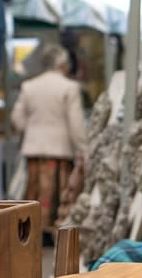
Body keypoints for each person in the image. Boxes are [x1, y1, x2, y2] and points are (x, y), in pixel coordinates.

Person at [10, 43, 87, 238]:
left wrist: (32, 130)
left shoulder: (29, 86)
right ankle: (56, 235)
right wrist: (83, 150)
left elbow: (16, 120)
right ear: (63, 64)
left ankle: (32, 233)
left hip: (33, 151)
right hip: (60, 152)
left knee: (34, 193)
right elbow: (76, 123)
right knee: (58, 197)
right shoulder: (69, 87)